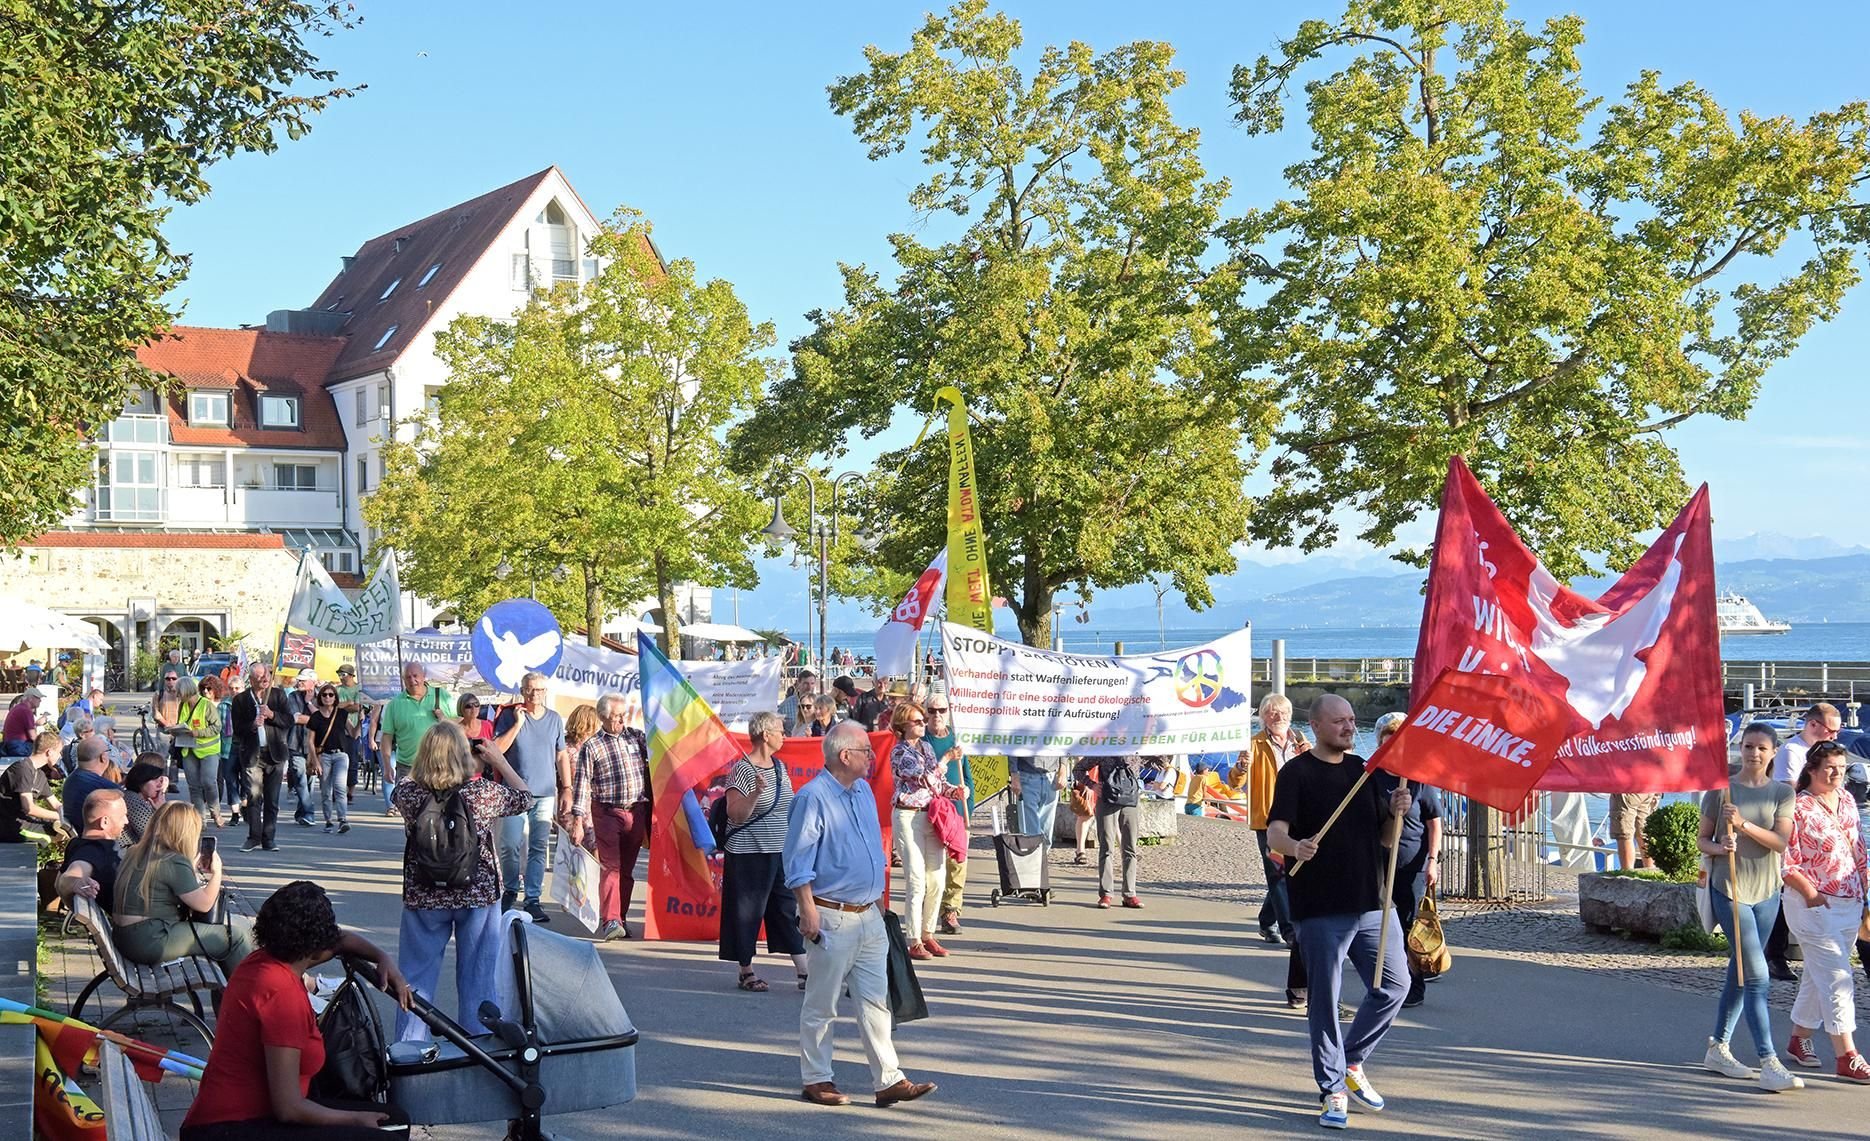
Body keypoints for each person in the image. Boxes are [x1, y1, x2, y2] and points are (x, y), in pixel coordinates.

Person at [1266, 694, 1412, 1130]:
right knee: (1325, 1002)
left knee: (1395, 985)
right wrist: (1296, 847)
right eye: (1340, 722)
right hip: (1319, 907)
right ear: (1316, 726)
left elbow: (1385, 839)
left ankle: (1351, 1062)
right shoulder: (1297, 773)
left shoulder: (1362, 772)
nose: (1350, 727)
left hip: (1370, 903)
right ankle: (1331, 1090)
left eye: (1352, 720)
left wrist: (1395, 812)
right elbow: (1275, 833)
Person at [179, 880, 413, 1140]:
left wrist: (382, 957)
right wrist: (355, 1118)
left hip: (247, 1117)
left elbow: (340, 941)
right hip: (228, 1128)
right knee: (384, 1135)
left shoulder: (266, 959)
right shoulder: (280, 993)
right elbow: (288, 1109)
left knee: (396, 1121)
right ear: (315, 947)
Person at [786, 721, 937, 1109]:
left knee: (876, 1002)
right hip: (831, 915)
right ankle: (816, 1078)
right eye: (866, 751)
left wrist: (880, 903)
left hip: (869, 915)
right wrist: (807, 910)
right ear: (845, 755)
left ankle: (889, 1079)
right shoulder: (813, 797)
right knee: (822, 1004)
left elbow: (873, 850)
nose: (872, 757)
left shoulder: (864, 792)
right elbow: (797, 861)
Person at [391, 721, 531, 1042]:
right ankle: (478, 1046)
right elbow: (525, 798)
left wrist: (427, 761)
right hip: (477, 893)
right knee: (478, 977)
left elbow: (403, 784)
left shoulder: (410, 794)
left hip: (424, 894)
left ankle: (410, 1049)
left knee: (415, 976)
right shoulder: (482, 793)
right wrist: (498, 759)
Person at [1696, 722, 1802, 1091]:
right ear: (1740, 748)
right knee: (1756, 975)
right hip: (1730, 890)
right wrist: (1719, 847)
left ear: (1773, 752)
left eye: (1761, 748)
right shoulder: (1720, 790)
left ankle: (1718, 1047)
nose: (1753, 753)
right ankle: (1768, 1060)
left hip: (1767, 892)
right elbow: (1702, 842)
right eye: (1748, 746)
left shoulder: (1781, 793)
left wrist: (1742, 826)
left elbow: (1780, 842)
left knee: (1739, 972)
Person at [1780, 740, 1870, 1083]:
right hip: (1812, 903)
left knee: (1818, 977)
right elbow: (1786, 860)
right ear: (1813, 770)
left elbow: (1859, 846)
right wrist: (1811, 893)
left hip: (1850, 901)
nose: (1836, 774)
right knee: (1838, 978)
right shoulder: (1798, 807)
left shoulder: (1847, 799)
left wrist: (1864, 890)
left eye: (1841, 768)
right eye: (1829, 768)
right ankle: (1847, 1053)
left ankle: (1798, 1038)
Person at [113, 801, 257, 974]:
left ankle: (228, 993)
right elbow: (203, 904)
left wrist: (190, 867)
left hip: (127, 937)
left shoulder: (135, 852)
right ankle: (244, 993)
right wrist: (217, 873)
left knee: (232, 929)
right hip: (152, 940)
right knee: (236, 937)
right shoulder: (173, 860)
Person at [719, 711, 808, 989]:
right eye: (781, 730)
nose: (785, 735)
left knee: (785, 909)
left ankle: (804, 970)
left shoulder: (780, 768)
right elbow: (735, 814)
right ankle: (746, 969)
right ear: (766, 735)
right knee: (747, 912)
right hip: (748, 854)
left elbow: (789, 807)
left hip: (779, 852)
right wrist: (755, 793)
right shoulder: (743, 769)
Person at [1369, 712, 1442, 1009]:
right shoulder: (1370, 776)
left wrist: (1433, 860)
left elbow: (1434, 822)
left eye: (1396, 744)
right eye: (1386, 744)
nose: (1390, 750)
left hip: (1411, 862)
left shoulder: (1418, 780)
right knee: (1380, 923)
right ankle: (1385, 979)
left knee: (1410, 924)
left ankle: (1415, 983)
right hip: (1377, 860)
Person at [1767, 703, 1843, 980]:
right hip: (1796, 827)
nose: (1834, 736)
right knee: (1787, 891)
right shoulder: (1793, 751)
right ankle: (1775, 955)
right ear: (1812, 725)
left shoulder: (1829, 753)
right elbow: (1789, 792)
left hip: (1824, 831)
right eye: (1830, 730)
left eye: (1838, 730)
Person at [568, 694, 650, 939]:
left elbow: (660, 755)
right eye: (617, 716)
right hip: (606, 813)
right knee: (611, 866)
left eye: (624, 715)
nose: (622, 720)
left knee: (626, 869)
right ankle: (611, 920)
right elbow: (582, 785)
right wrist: (578, 821)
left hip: (636, 810)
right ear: (603, 717)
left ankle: (621, 916)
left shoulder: (636, 737)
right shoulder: (592, 746)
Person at [492, 671, 567, 922]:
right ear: (523, 691)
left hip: (545, 793)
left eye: (540, 690)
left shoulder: (555, 719)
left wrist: (566, 787)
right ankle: (511, 889)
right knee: (509, 845)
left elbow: (561, 755)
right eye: (531, 689)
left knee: (538, 847)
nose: (536, 694)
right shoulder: (509, 715)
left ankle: (533, 898)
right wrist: (517, 725)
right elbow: (497, 751)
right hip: (515, 793)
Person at [889, 700, 961, 960]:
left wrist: (954, 791)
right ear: (903, 726)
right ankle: (914, 938)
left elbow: (938, 784)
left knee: (937, 878)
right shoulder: (899, 752)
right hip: (908, 816)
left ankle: (928, 932)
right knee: (916, 879)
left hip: (931, 815)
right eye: (917, 721)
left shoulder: (926, 748)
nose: (923, 724)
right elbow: (923, 779)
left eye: (923, 720)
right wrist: (945, 760)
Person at [1244, 693, 1313, 945]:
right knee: (1278, 872)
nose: (1279, 717)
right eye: (1273, 712)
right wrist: (1242, 767)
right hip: (1269, 818)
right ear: (1263, 716)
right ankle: (1290, 931)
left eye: (1283, 712)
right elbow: (1235, 780)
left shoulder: (1300, 741)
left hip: (1299, 816)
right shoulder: (1254, 744)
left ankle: (1265, 920)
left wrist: (1311, 755)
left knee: (1293, 871)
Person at [232, 662, 295, 853]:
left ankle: (269, 838)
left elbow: (289, 720)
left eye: (266, 674)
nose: (265, 678)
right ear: (251, 679)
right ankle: (254, 836)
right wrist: (252, 725)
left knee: (272, 799)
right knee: (253, 796)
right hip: (253, 755)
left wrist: (272, 714)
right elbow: (237, 730)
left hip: (275, 754)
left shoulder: (278, 695)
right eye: (260, 676)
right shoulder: (241, 700)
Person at [1075, 752, 1144, 909]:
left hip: (1130, 800)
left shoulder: (1137, 748)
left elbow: (1161, 761)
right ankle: (1106, 893)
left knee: (1130, 847)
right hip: (1107, 799)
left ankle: (1130, 894)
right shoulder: (1106, 748)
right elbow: (1078, 769)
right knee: (1106, 846)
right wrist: (1092, 785)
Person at [926, 697, 971, 936]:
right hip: (932, 811)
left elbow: (966, 775)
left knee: (958, 864)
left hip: (956, 811)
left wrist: (968, 809)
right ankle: (929, 911)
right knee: (932, 868)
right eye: (931, 710)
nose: (936, 715)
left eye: (941, 710)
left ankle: (951, 910)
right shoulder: (922, 742)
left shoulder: (956, 739)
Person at [377, 663, 452, 792]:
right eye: (408, 677)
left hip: (439, 767)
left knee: (437, 809)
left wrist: (444, 719)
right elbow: (387, 737)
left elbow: (461, 723)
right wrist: (387, 766)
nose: (412, 680)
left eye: (415, 676)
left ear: (424, 676)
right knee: (408, 809)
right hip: (407, 768)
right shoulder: (395, 704)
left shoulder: (442, 696)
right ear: (403, 680)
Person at [56, 788, 128, 907]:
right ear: (104, 822)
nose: (126, 821)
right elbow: (71, 875)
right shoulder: (95, 850)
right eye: (122, 816)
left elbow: (58, 882)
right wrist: (74, 882)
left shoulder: (77, 844)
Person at [0, 731, 72, 844]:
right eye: (59, 752)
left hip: (23, 821)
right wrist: (59, 816)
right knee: (49, 836)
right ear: (49, 752)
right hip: (10, 825)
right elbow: (29, 808)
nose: (60, 757)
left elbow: (56, 804)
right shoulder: (22, 769)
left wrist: (70, 815)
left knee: (63, 831)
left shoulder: (40, 774)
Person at [173, 675, 224, 826]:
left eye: (179, 693)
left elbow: (217, 727)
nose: (177, 696)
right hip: (189, 750)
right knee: (194, 786)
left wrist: (198, 733)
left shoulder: (206, 705)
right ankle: (200, 820)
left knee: (209, 782)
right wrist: (175, 730)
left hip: (208, 750)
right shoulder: (182, 705)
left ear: (186, 691)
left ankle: (215, 811)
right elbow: (181, 723)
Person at [304, 683, 352, 834]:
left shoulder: (342, 714)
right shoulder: (316, 717)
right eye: (324, 695)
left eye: (331, 695)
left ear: (335, 697)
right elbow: (310, 741)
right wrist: (315, 761)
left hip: (340, 755)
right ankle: (328, 821)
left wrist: (362, 719)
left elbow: (353, 733)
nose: (327, 697)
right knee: (326, 790)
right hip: (324, 755)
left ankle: (343, 819)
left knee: (340, 787)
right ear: (320, 697)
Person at [62, 736, 120, 832]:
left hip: (83, 836)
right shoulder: (107, 788)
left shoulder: (71, 780)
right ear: (103, 757)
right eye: (108, 751)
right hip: (101, 839)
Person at [283, 669, 318, 827]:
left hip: (315, 746)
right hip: (295, 743)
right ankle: (309, 812)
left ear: (314, 682)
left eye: (304, 680)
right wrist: (316, 719)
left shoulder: (322, 697)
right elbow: (295, 717)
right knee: (300, 777)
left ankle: (301, 812)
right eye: (300, 680)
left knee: (309, 780)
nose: (300, 682)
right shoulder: (293, 696)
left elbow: (325, 718)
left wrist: (310, 704)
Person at [1010, 754, 1065, 850]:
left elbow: (1065, 743)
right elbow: (1012, 744)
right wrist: (1014, 775)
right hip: (1027, 775)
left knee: (1046, 834)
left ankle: (1041, 861)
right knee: (1030, 833)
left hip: (1051, 778)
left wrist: (1063, 769)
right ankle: (1032, 861)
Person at [333, 664, 367, 806]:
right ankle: (338, 790)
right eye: (339, 675)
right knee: (337, 761)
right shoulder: (337, 690)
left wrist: (344, 706)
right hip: (338, 729)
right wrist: (347, 703)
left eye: (344, 675)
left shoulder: (358, 689)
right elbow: (332, 705)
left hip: (354, 729)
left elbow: (357, 707)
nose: (341, 678)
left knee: (352, 761)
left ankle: (350, 792)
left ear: (351, 675)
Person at [1606, 791, 1660, 872]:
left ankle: (1627, 872)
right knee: (1644, 832)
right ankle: (1651, 871)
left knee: (1624, 833)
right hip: (1649, 786)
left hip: (1628, 788)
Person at [121, 758, 170, 845]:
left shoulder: (135, 797)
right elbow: (155, 837)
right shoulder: (134, 802)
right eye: (155, 781)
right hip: (127, 852)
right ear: (141, 781)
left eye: (160, 781)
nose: (159, 785)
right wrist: (162, 810)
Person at [148, 667, 184, 770]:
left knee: (175, 759)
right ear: (164, 680)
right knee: (161, 758)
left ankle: (172, 783)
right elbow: (156, 713)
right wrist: (167, 724)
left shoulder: (181, 694)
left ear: (177, 679)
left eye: (173, 678)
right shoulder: (159, 694)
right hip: (163, 730)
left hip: (178, 730)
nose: (171, 681)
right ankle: (160, 780)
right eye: (168, 679)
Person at [2, 690, 44, 756]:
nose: (40, 701)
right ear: (30, 699)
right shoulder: (26, 710)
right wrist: (44, 744)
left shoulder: (18, 708)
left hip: (10, 744)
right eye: (38, 698)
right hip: (19, 746)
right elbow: (33, 736)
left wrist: (36, 724)